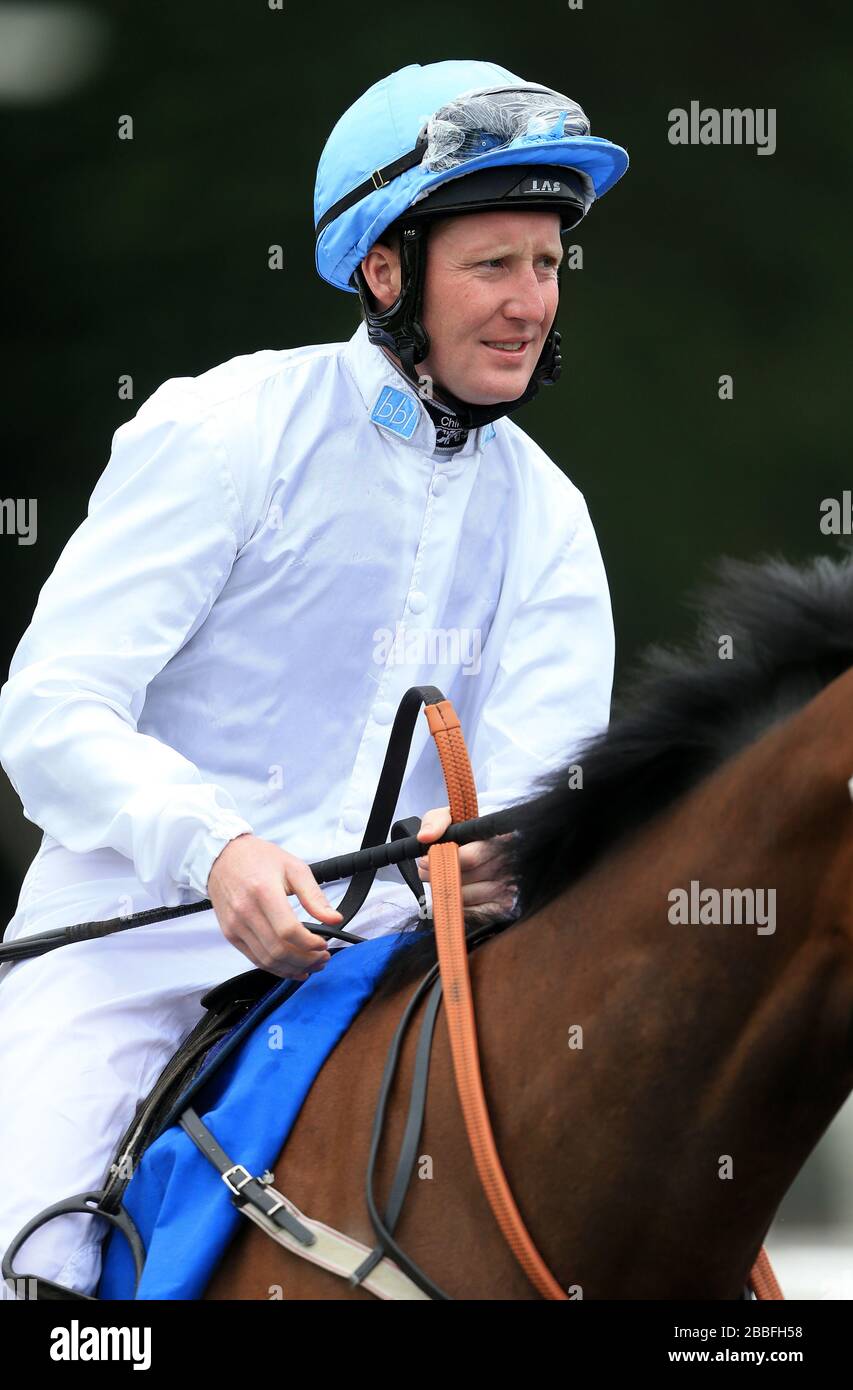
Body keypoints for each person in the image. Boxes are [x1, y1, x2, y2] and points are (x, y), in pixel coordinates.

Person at [0, 58, 628, 1298]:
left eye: (546, 265)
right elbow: (50, 712)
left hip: (399, 978)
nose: (528, 302)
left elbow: (544, 782)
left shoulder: (554, 521)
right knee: (37, 1272)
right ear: (385, 271)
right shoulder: (221, 431)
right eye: (491, 264)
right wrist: (218, 849)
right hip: (138, 954)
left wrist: (511, 848)